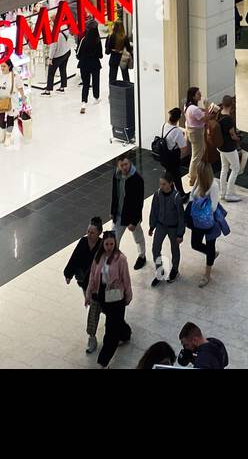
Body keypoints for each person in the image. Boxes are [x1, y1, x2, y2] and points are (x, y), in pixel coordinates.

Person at [85, 231, 132, 367]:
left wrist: (128, 295)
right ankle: (125, 334)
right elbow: (93, 277)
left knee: (111, 330)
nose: (109, 246)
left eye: (112, 244)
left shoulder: (121, 259)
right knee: (116, 321)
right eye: (107, 244)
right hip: (103, 296)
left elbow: (126, 279)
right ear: (103, 244)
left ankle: (103, 361)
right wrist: (89, 293)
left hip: (117, 297)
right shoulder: (99, 257)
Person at [64, 218, 106, 348]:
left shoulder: (102, 246)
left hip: (100, 284)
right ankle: (92, 337)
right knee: (94, 307)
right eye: (88, 231)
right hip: (85, 281)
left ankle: (121, 330)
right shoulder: (83, 242)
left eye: (92, 232)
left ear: (99, 233)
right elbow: (74, 257)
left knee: (103, 308)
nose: (89, 234)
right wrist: (68, 274)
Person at [111, 153, 147, 270]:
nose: (124, 167)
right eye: (122, 165)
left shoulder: (137, 179)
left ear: (130, 163)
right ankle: (114, 263)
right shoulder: (116, 176)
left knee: (138, 237)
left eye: (126, 164)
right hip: (119, 214)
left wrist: (134, 221)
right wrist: (113, 210)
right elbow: (114, 194)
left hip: (132, 216)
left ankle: (142, 256)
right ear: (118, 166)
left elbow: (139, 202)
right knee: (113, 240)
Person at [188, 163, 222, 288]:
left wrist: (200, 208)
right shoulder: (199, 181)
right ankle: (212, 254)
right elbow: (192, 196)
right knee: (195, 244)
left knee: (210, 244)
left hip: (209, 221)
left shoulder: (213, 185)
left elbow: (213, 206)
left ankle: (207, 274)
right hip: (197, 220)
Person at [148, 173, 185, 285]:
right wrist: (152, 226)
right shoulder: (158, 194)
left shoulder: (176, 197)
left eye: (164, 184)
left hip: (173, 228)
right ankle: (160, 271)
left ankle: (175, 270)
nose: (161, 186)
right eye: (160, 184)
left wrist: (180, 234)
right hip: (160, 225)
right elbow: (154, 210)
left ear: (170, 184)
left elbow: (181, 217)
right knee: (155, 248)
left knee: (174, 249)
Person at [217, 95, 245, 202]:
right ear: (232, 105)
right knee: (235, 168)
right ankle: (229, 193)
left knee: (224, 168)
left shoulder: (219, 114)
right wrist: (239, 138)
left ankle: (222, 193)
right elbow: (232, 135)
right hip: (229, 148)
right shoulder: (229, 119)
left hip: (221, 147)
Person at [157, 107, 189, 195]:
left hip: (163, 156)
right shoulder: (177, 132)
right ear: (178, 118)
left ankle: (168, 192)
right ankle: (181, 194)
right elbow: (184, 148)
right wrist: (186, 135)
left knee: (169, 174)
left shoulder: (163, 126)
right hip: (173, 158)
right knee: (176, 176)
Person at [75, 20, 103, 115]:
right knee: (96, 81)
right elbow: (101, 55)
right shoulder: (98, 41)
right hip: (95, 64)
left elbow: (78, 54)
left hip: (84, 64)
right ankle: (96, 97)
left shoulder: (84, 40)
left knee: (85, 84)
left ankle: (84, 102)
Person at [183, 87, 208, 188]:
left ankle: (196, 173)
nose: (200, 95)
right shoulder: (195, 109)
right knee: (196, 155)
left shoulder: (188, 105)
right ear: (193, 96)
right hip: (196, 133)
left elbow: (199, 113)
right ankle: (193, 176)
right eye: (198, 94)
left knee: (199, 152)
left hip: (192, 131)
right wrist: (207, 107)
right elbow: (205, 119)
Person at [43, 23, 73, 95]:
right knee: (63, 69)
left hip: (58, 56)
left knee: (51, 73)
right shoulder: (64, 27)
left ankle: (48, 90)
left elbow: (53, 48)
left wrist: (50, 59)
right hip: (66, 52)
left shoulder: (55, 35)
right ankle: (62, 87)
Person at [106, 20, 132, 85]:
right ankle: (127, 90)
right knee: (125, 76)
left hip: (114, 57)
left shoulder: (111, 36)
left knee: (112, 77)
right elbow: (128, 49)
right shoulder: (125, 37)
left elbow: (107, 51)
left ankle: (112, 91)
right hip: (123, 58)